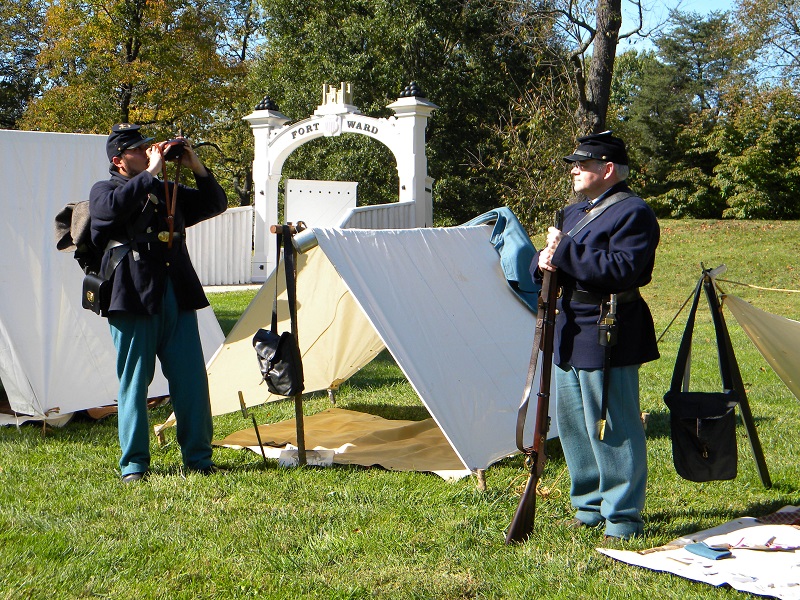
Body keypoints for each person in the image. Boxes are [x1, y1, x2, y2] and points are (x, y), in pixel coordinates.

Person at [533, 131, 660, 539]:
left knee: (613, 426)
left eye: (582, 164)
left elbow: (623, 270)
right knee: (572, 425)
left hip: (609, 327)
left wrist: (565, 250)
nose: (574, 169)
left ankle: (622, 517)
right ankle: (588, 506)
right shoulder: (572, 212)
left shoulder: (633, 213)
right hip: (570, 324)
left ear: (607, 169)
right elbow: (561, 264)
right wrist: (544, 261)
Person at [89, 123, 228, 483]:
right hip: (132, 295)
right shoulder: (106, 190)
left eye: (151, 147)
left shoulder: (166, 190)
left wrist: (195, 165)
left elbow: (215, 203)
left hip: (176, 293)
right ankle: (134, 465)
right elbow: (111, 211)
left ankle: (198, 457)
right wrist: (151, 172)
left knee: (191, 379)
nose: (150, 152)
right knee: (134, 383)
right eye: (140, 149)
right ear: (119, 160)